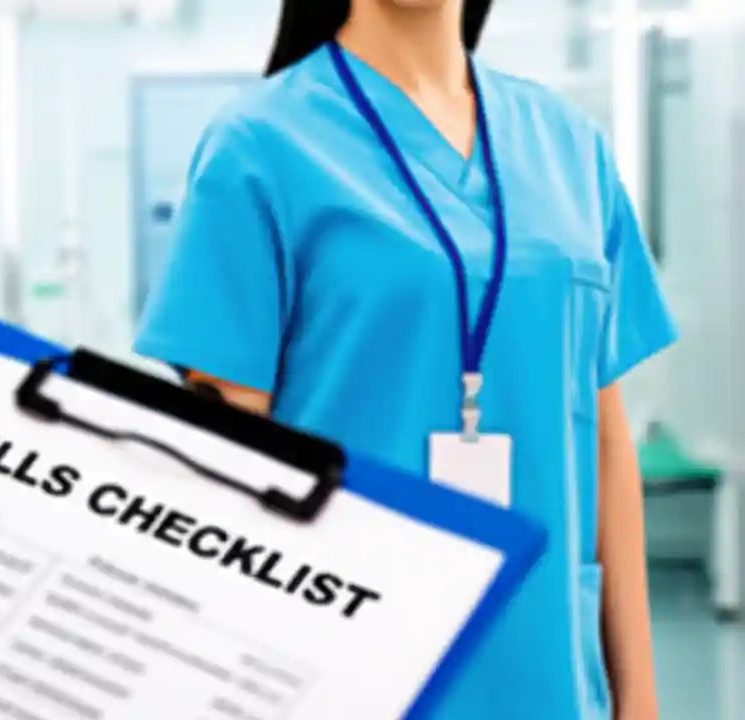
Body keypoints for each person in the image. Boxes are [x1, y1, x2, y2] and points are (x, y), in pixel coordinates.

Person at [133, 0, 676, 718]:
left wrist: (638, 698)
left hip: (548, 670)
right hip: (344, 666)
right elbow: (231, 466)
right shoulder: (259, 145)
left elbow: (607, 443)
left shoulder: (570, 146)